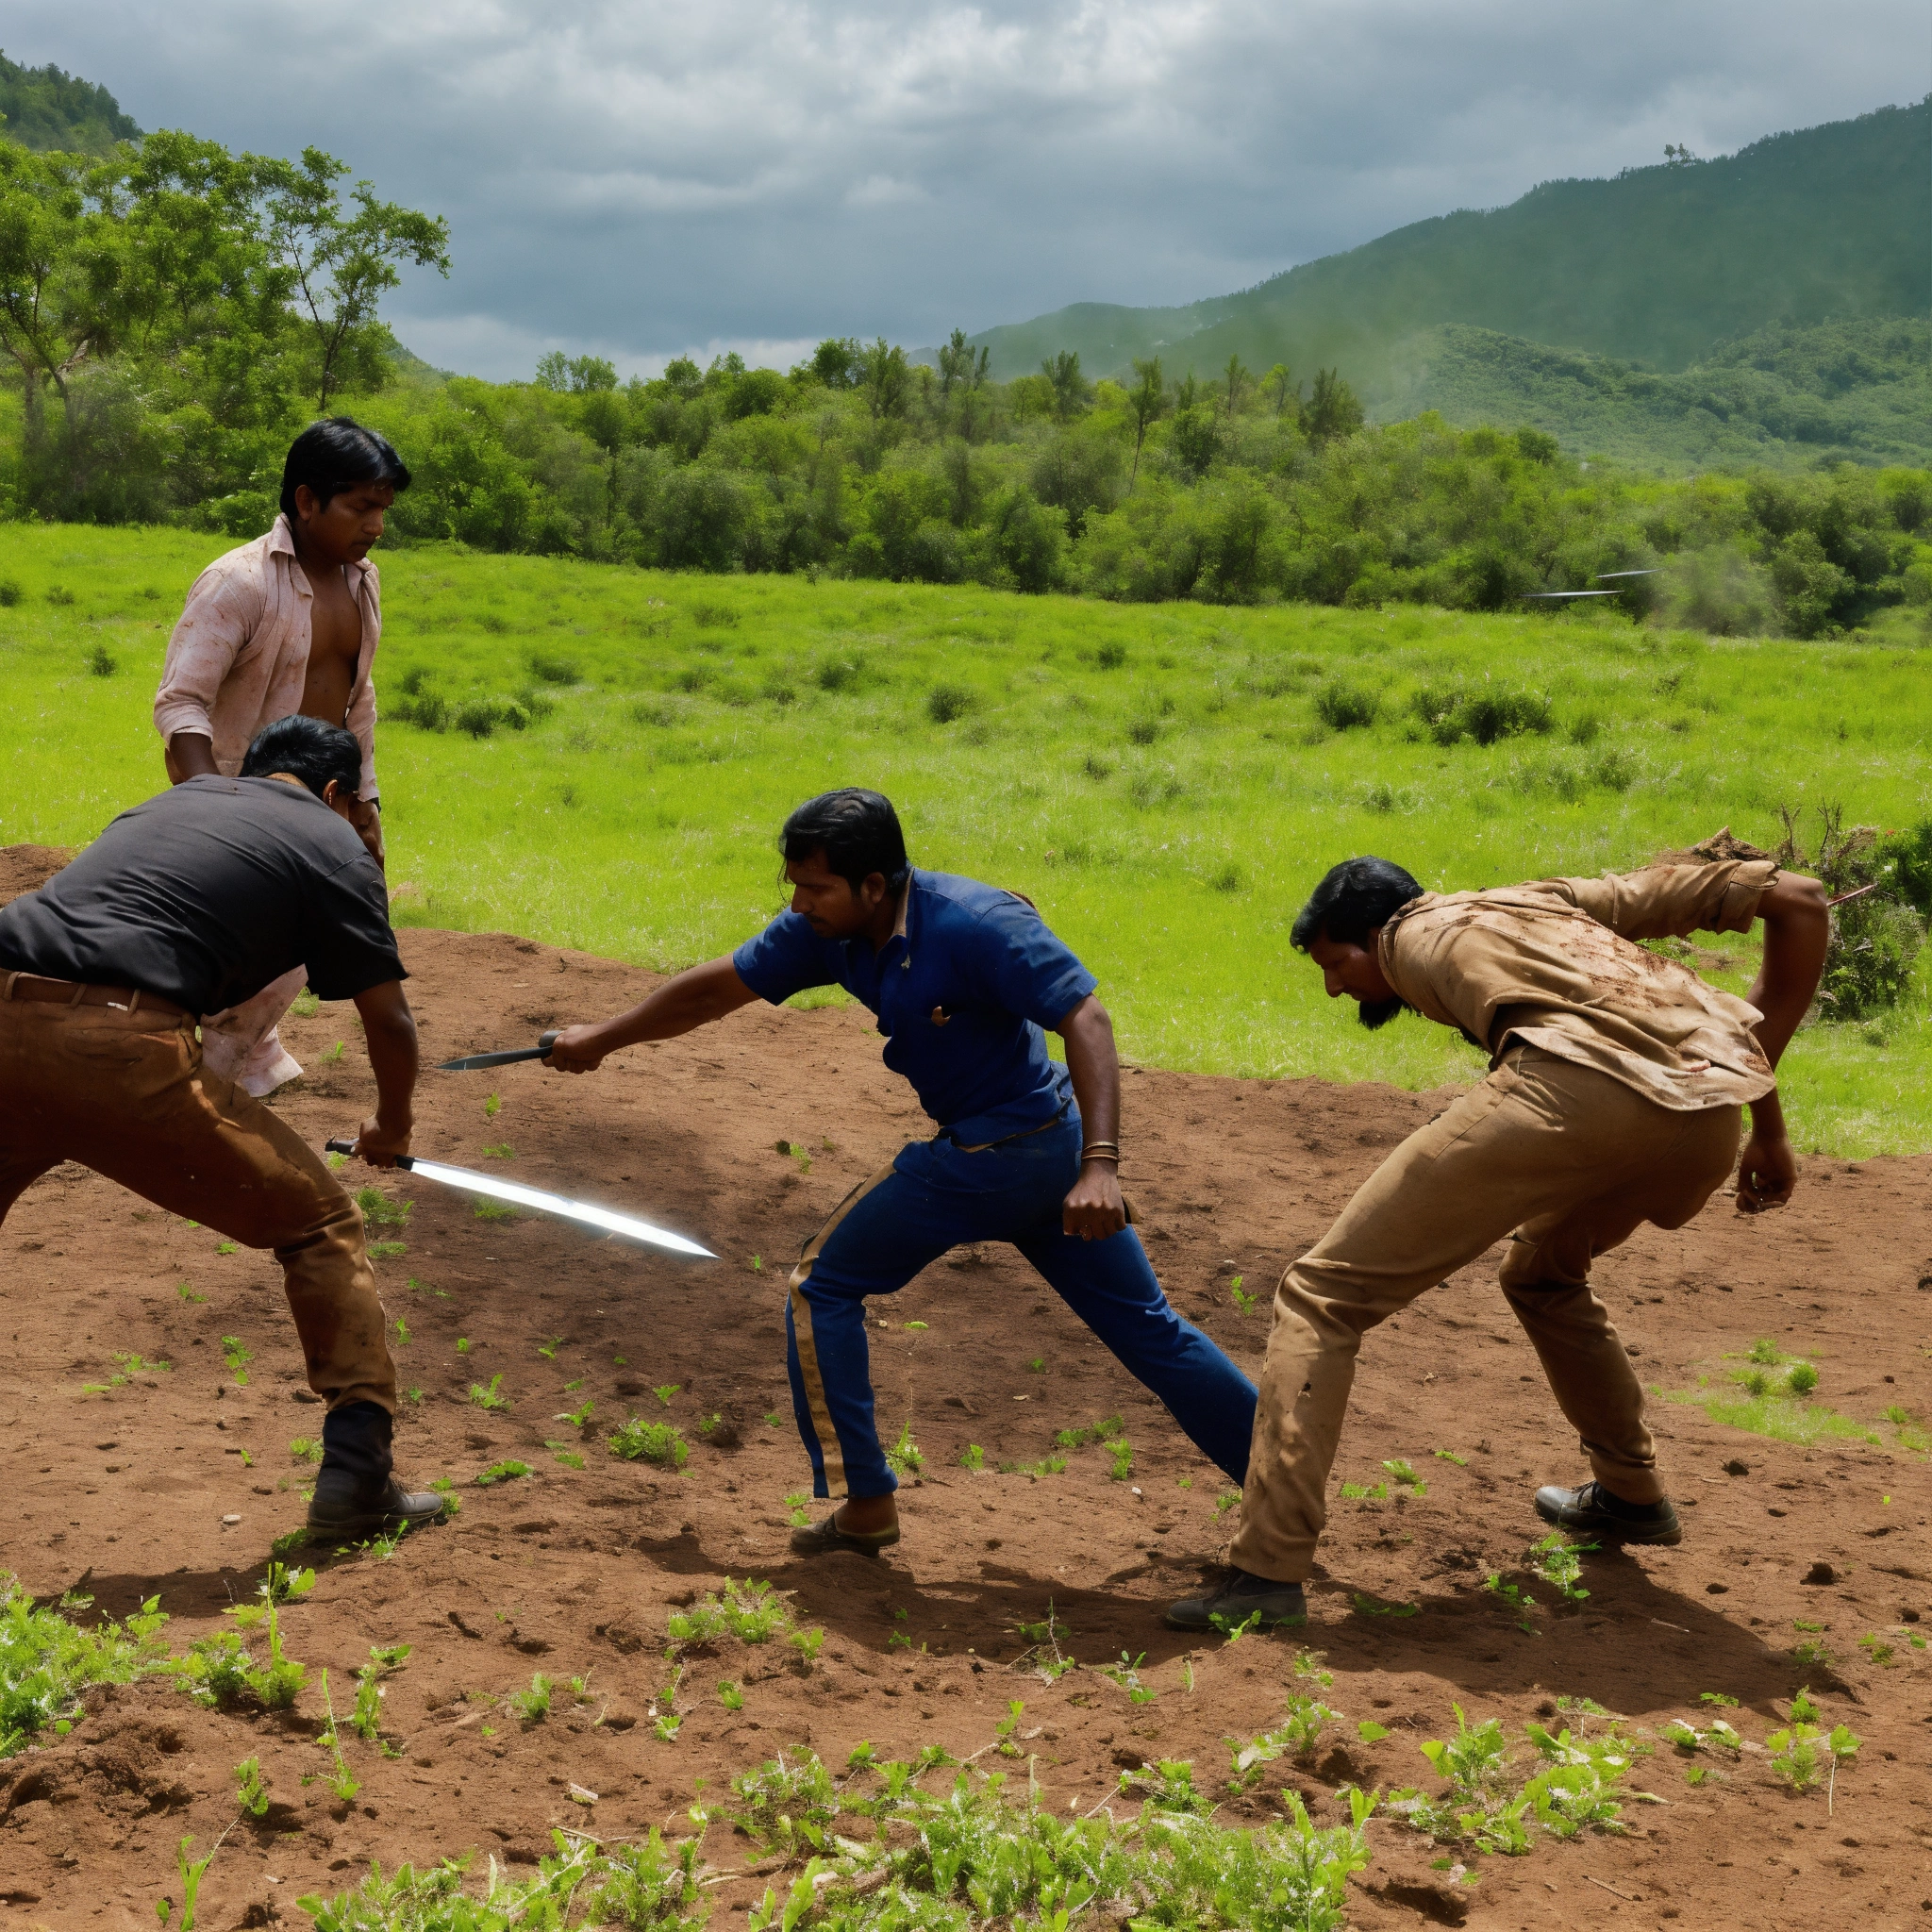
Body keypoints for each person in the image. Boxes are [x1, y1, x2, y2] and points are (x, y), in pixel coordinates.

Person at [547, 788, 1257, 1557]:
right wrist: (603, 1038)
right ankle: (1282, 1484)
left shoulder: (975, 924)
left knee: (822, 1286)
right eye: (794, 883)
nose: (799, 902)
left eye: (815, 887)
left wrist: (1103, 1168)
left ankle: (866, 1504)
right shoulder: (829, 931)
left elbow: (1086, 1018)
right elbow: (719, 989)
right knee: (1148, 1329)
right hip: (1030, 1153)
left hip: (1014, 1154)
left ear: (874, 886)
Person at [1167, 841, 1828, 1631]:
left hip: (1576, 1094)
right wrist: (1767, 1126)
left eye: (1334, 962)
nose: (1334, 986)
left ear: (1372, 931)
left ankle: (1264, 1573)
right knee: (1543, 1277)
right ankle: (1630, 1495)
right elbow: (1800, 899)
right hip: (1705, 1121)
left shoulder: (1415, 930)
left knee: (1321, 1295)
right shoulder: (1544, 900)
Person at [0, 715, 445, 1544]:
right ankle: (358, 1477)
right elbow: (390, 1021)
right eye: (362, 807)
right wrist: (392, 1124)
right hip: (117, 1046)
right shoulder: (333, 839)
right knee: (320, 1226)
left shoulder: (169, 804)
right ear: (339, 792)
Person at [152, 419, 410, 1096]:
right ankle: (194, 1097)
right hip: (243, 808)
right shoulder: (237, 583)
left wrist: (367, 801)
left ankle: (239, 1061)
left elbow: (358, 699)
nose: (377, 525)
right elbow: (181, 704)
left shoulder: (364, 584)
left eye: (384, 509)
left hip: (321, 804)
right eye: (361, 507)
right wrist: (218, 809)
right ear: (306, 500)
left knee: (292, 951)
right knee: (252, 954)